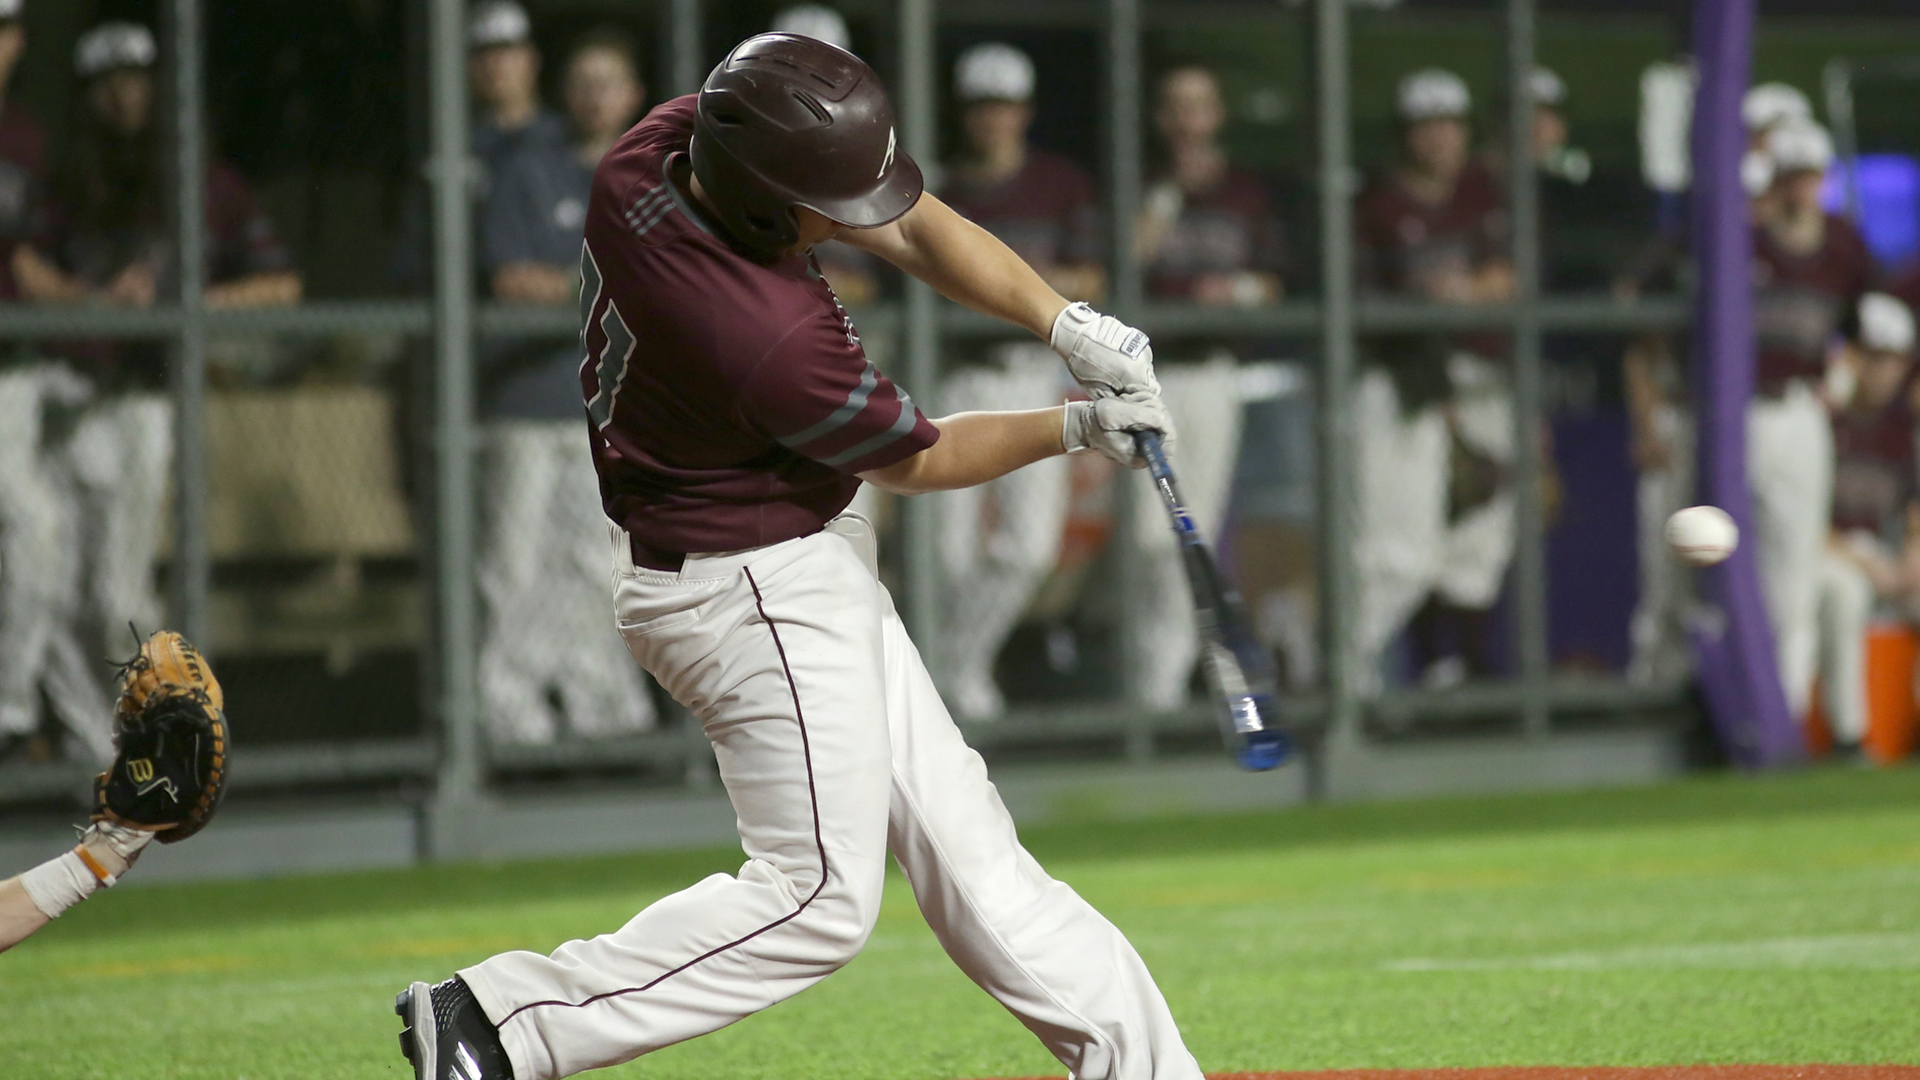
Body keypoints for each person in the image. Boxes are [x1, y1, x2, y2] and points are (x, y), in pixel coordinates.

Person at [393, 33, 1192, 1080]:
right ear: (765, 204)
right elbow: (920, 459)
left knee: (979, 865)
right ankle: (498, 1023)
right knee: (817, 900)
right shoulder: (759, 333)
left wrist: (1064, 321)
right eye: (828, 205)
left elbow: (908, 220)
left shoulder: (655, 151)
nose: (856, 222)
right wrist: (1075, 426)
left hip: (777, 557)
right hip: (749, 589)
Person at [6, 22, 298, 761]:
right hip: (69, 393)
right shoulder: (66, 180)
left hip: (145, 397)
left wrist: (187, 303)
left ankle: (152, 729)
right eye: (109, 83)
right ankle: (92, 742)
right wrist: (94, 301)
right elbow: (27, 267)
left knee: (116, 590)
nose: (125, 95)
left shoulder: (204, 181)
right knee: (57, 578)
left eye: (137, 79)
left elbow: (280, 283)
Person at [475, 28, 657, 745]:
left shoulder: (651, 176)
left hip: (611, 409)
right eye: (583, 83)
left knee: (595, 563)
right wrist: (612, 285)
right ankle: (509, 714)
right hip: (526, 401)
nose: (595, 96)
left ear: (633, 94)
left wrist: (578, 288)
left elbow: (667, 284)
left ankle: (598, 709)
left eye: (608, 82)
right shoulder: (530, 169)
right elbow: (512, 280)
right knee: (513, 564)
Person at [933, 41, 1105, 718]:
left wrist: (1004, 285)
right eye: (982, 105)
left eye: (1004, 105)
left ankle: (954, 667)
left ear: (1024, 112)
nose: (993, 118)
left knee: (1029, 550)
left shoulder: (1059, 184)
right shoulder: (940, 185)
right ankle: (959, 681)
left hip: (1030, 374)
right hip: (955, 375)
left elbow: (1091, 277)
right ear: (964, 112)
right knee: (946, 555)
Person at [1351, 68, 1515, 691]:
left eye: (1450, 124)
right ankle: (1338, 679)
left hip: (1479, 382)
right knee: (1397, 557)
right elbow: (1370, 311)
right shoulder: (1376, 204)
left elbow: (1510, 278)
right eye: (1426, 125)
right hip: (1405, 388)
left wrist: (1467, 291)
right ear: (1404, 135)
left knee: (1474, 545)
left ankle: (1451, 673)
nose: (1440, 137)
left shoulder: (1484, 192)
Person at [1129, 63, 1285, 707]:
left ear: (1217, 115)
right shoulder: (1138, 179)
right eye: (1176, 106)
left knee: (1192, 530)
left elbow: (1273, 282)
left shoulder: (1244, 191)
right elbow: (1123, 264)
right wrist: (1167, 195)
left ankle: (1160, 689)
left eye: (1200, 106)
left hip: (1215, 374)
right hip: (1144, 375)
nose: (1188, 120)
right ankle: (1144, 679)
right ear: (1160, 118)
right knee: (1146, 537)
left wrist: (1236, 289)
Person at [1748, 116, 1875, 725]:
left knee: (1794, 571)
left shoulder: (1843, 244)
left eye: (1810, 176)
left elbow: (1861, 327)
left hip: (1799, 409)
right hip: (1736, 412)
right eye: (1790, 176)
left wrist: (1842, 379)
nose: (1801, 188)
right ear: (1772, 179)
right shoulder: (1745, 238)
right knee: (1722, 563)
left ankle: (1785, 715)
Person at [1814, 293, 1919, 763]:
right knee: (1845, 593)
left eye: (1894, 360)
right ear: (1850, 356)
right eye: (1874, 357)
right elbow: (1801, 524)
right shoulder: (1820, 419)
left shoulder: (1899, 428)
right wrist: (1866, 562)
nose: (1884, 371)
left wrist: (1911, 554)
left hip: (1882, 554)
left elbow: (1913, 507)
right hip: (1830, 553)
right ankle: (1848, 738)